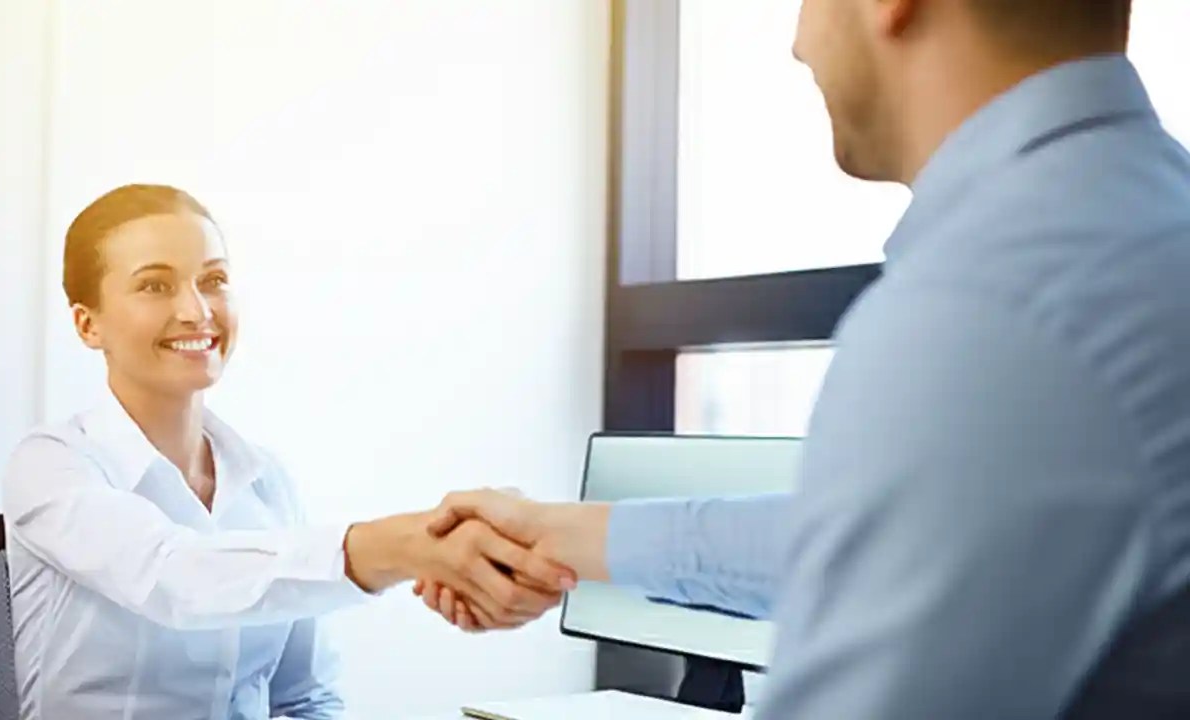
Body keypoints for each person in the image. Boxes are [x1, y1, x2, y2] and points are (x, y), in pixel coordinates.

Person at [418, 0, 1190, 717]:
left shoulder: (999, 305)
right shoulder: (1134, 217)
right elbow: (887, 547)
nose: (797, 43)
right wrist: (560, 536)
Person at [2, 184, 576, 719]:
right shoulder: (53, 465)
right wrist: (406, 547)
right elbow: (176, 578)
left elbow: (305, 696)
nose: (197, 311)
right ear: (87, 324)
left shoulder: (264, 479)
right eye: (155, 285)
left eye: (214, 279)